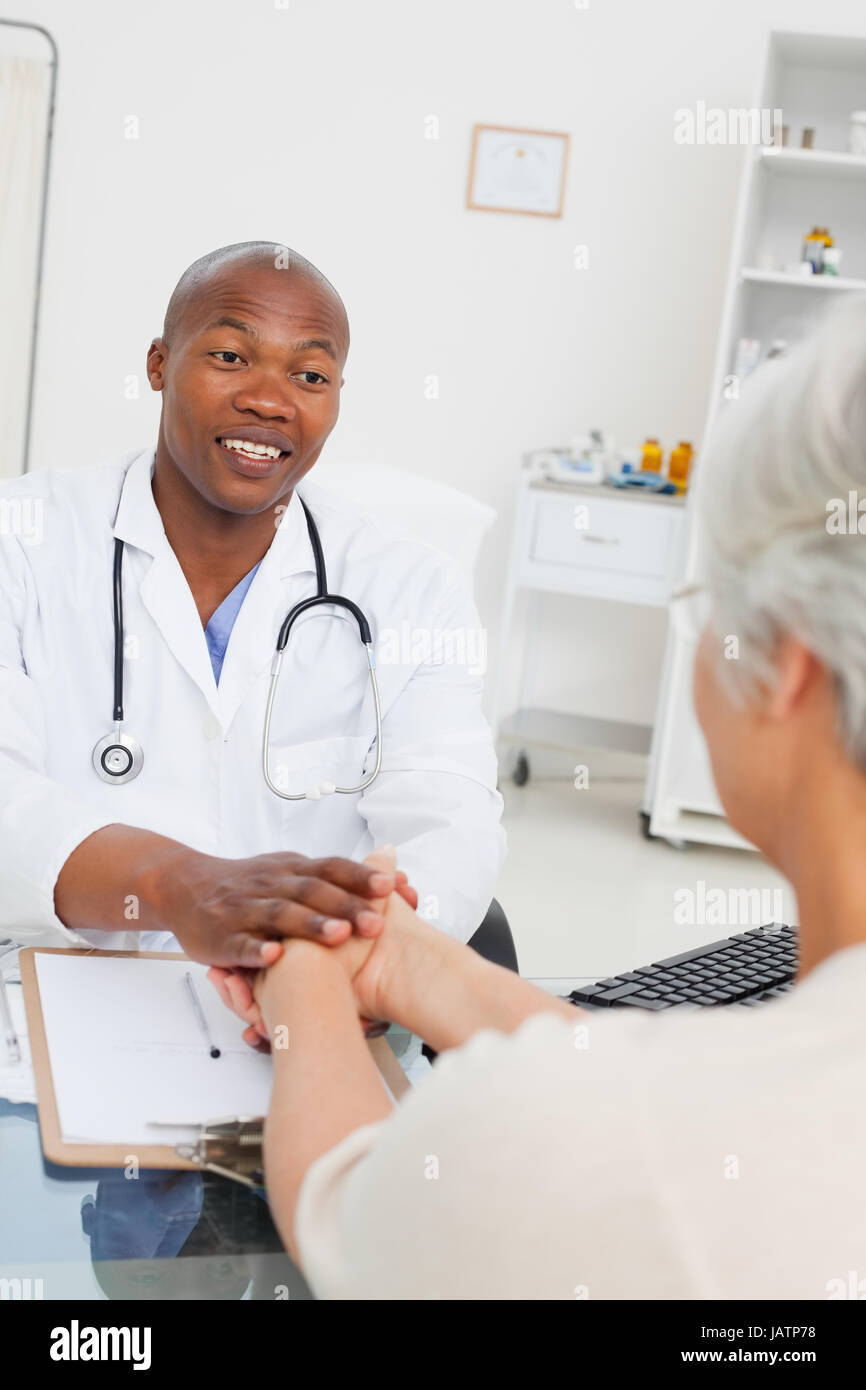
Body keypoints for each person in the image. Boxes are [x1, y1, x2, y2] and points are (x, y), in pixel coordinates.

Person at [212, 295, 866, 1299]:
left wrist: (303, 985)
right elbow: (700, 1102)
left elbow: (357, 1208)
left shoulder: (588, 1150)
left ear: (784, 661)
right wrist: (436, 979)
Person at [0, 241, 504, 966]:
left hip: (310, 996)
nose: (269, 399)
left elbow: (451, 819)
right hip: (57, 987)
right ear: (158, 364)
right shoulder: (24, 538)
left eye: (309, 374)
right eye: (231, 357)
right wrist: (182, 887)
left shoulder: (411, 587)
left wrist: (363, 950)